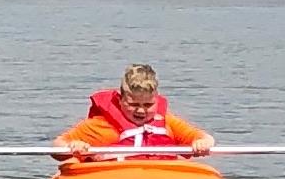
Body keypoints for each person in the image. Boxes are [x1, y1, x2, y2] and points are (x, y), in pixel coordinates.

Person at [52, 63, 215, 160]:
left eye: (148, 104)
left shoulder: (167, 122)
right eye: (134, 104)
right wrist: (73, 146)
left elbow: (204, 137)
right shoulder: (98, 126)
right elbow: (58, 146)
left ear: (156, 99)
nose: (141, 110)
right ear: (121, 100)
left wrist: (203, 143)